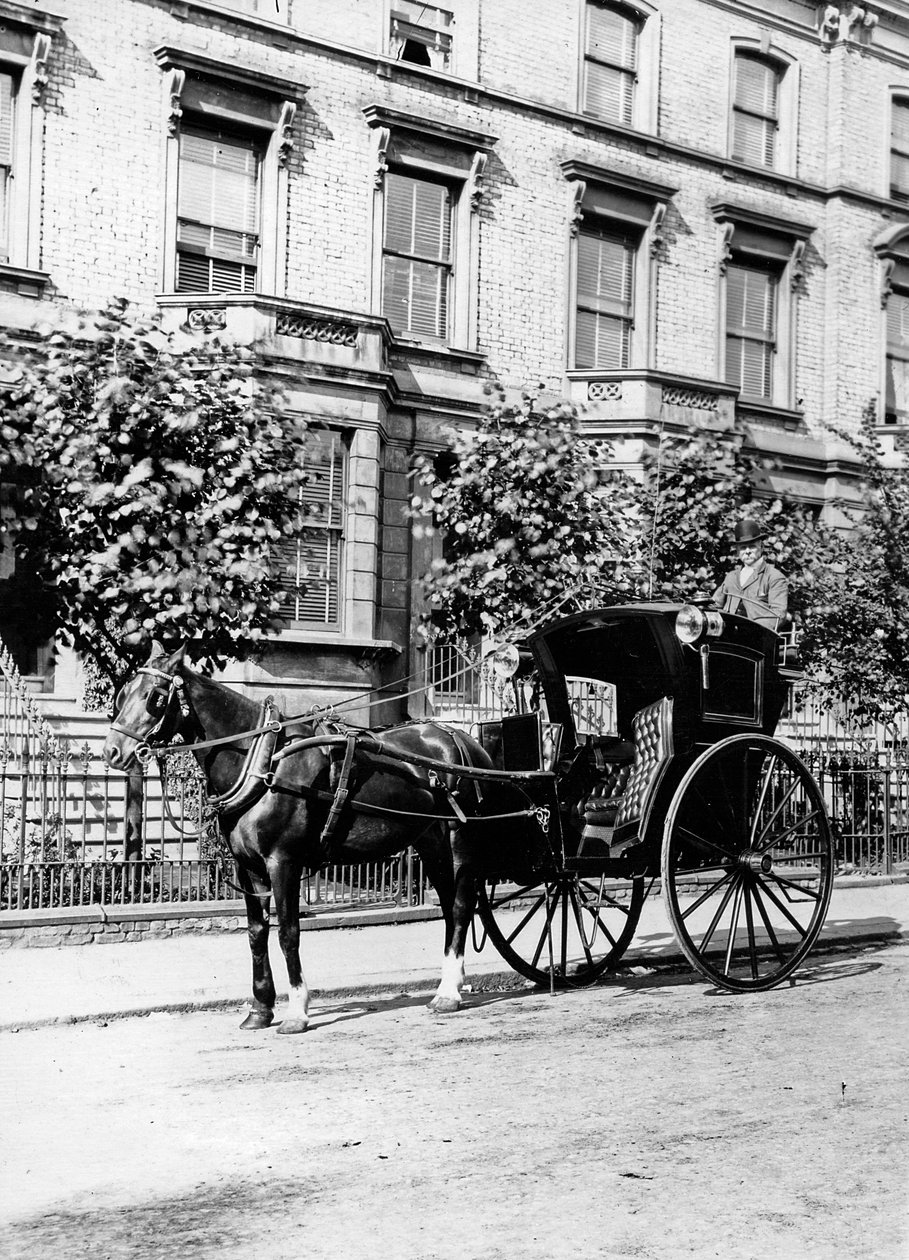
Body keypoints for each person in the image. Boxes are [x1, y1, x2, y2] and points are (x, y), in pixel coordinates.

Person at [712, 518, 789, 630]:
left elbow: (778, 615)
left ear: (761, 547)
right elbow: (715, 605)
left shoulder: (774, 577)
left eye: (752, 546)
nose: (747, 551)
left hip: (757, 639)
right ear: (738, 552)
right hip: (727, 636)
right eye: (743, 548)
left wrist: (750, 629)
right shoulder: (731, 577)